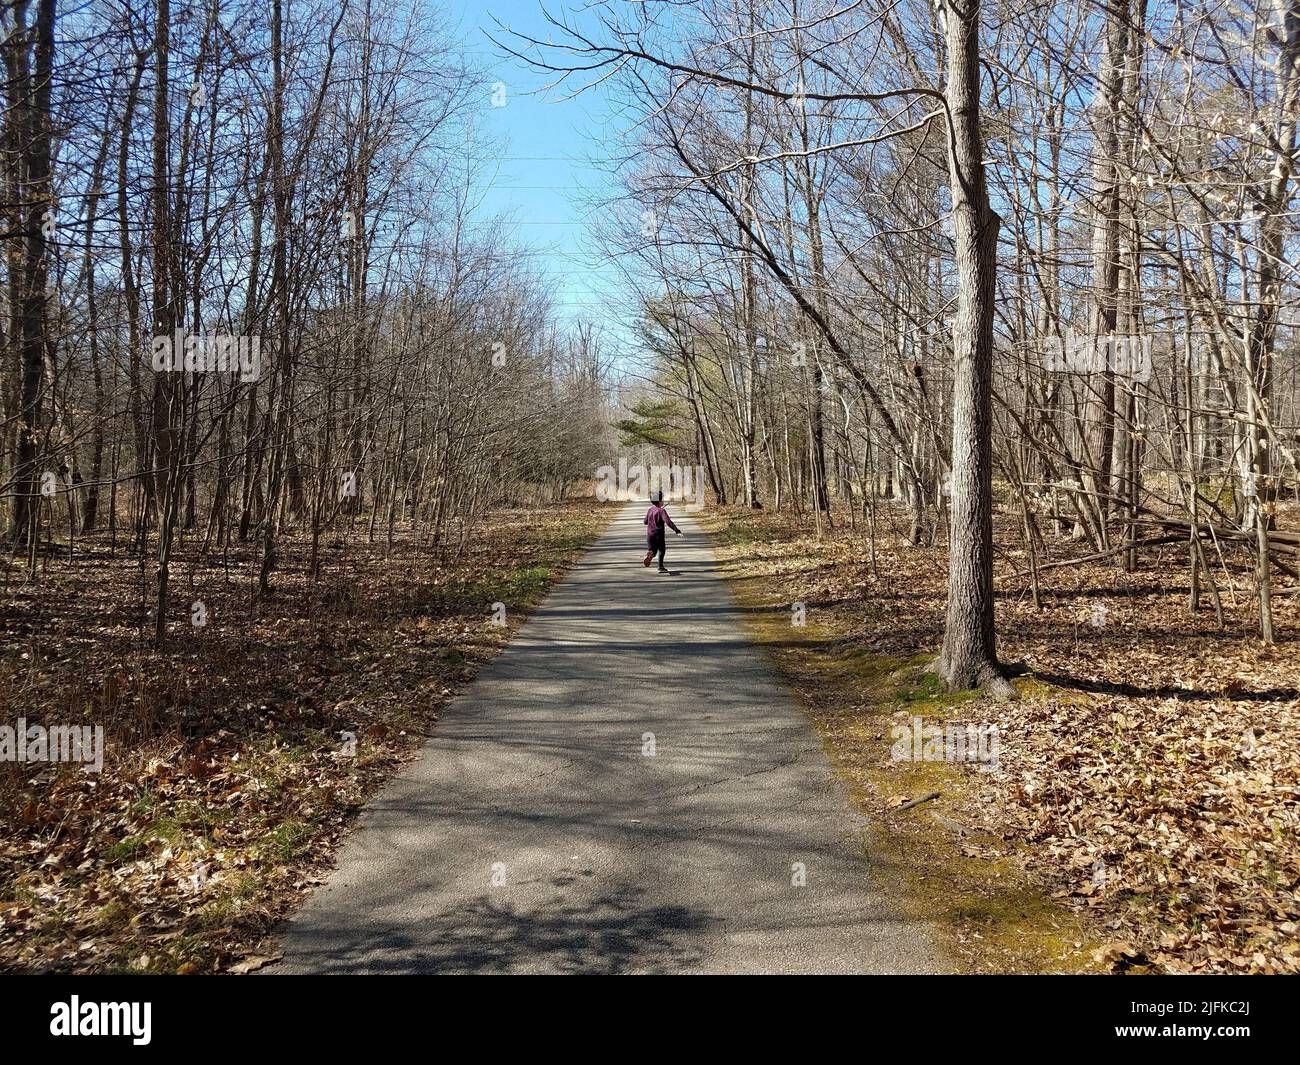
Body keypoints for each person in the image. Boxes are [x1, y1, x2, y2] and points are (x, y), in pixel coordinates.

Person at [642, 490, 682, 573]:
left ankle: (650, 554)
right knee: (662, 550)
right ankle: (660, 566)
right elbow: (668, 522)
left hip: (650, 536)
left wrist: (654, 516)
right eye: (662, 499)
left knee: (653, 551)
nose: (663, 501)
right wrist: (677, 530)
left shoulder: (650, 510)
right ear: (659, 501)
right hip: (659, 535)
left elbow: (645, 522)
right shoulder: (661, 511)